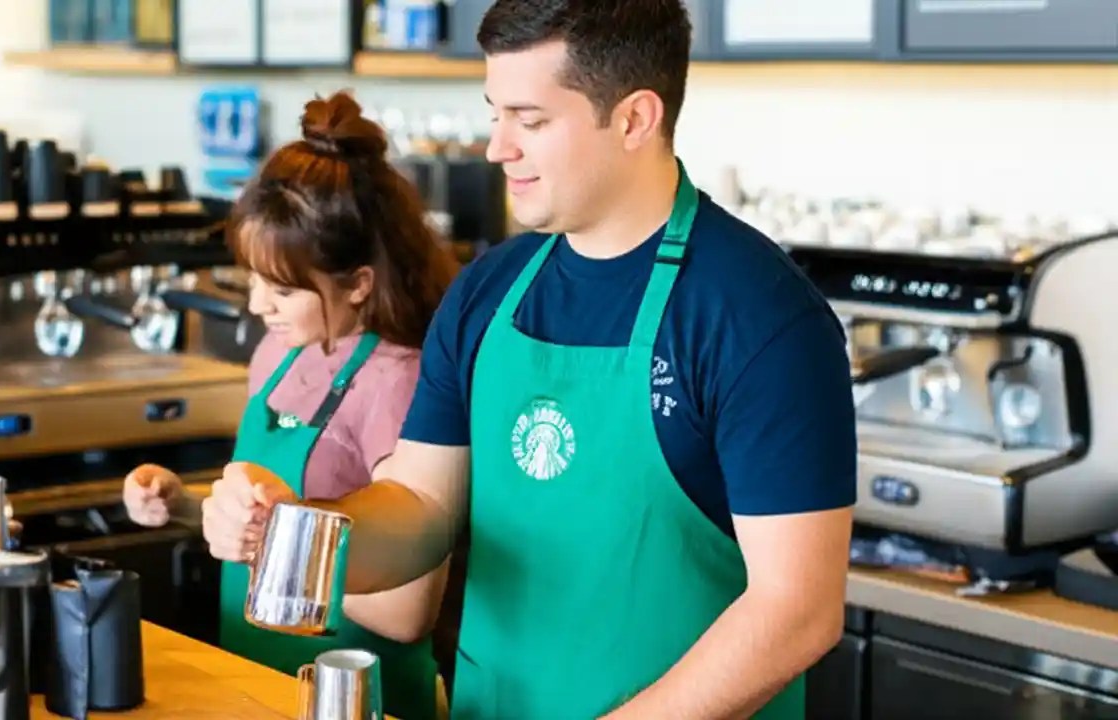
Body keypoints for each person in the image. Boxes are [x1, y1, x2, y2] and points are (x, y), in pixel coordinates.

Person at [215, 0, 859, 717]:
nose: (497, 148)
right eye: (496, 113)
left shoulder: (760, 317)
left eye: (531, 120)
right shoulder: (488, 292)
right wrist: (299, 530)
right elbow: (423, 505)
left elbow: (796, 610)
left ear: (634, 119)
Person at [121, 90, 460, 720]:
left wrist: (272, 547)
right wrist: (189, 506)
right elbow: (267, 517)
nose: (257, 306)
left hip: (354, 699)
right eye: (251, 279)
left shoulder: (399, 381)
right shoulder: (279, 352)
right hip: (254, 682)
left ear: (360, 283)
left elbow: (407, 611)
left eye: (281, 289)